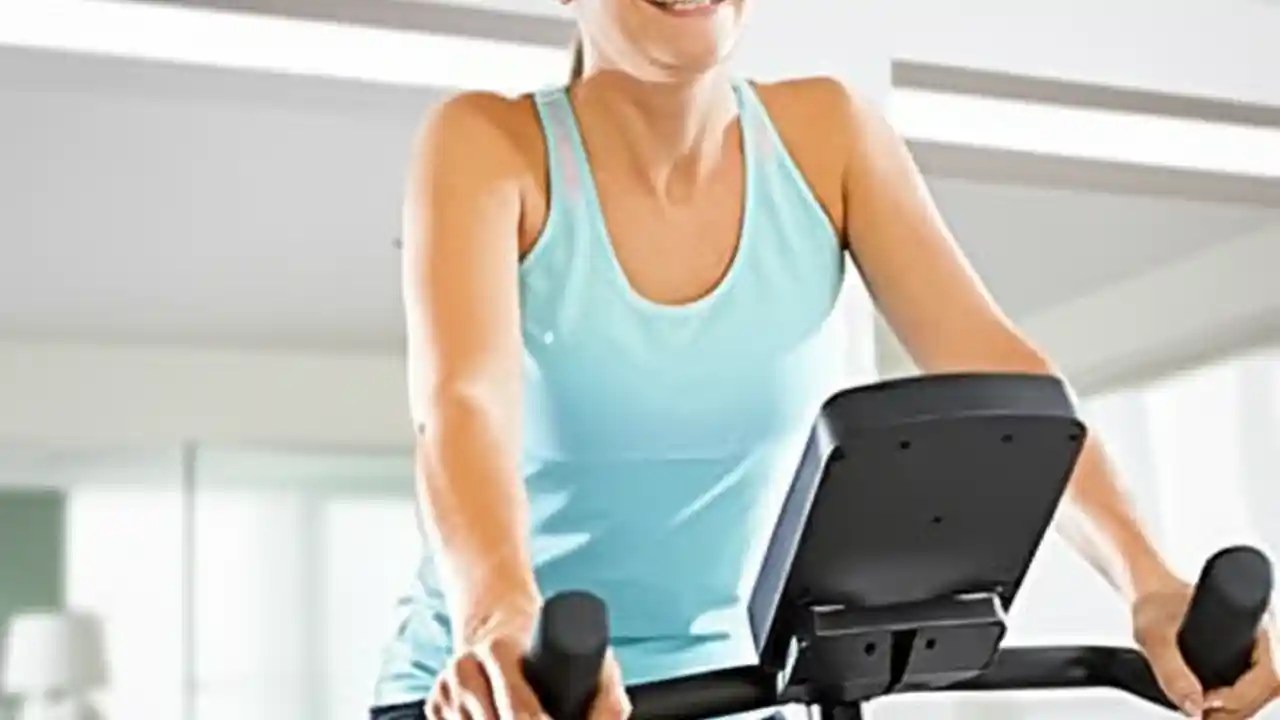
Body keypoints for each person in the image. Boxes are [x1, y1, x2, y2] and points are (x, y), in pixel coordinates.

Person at [372, 1, 1280, 718]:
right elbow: (462, 408)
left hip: (730, 688)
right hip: (516, 689)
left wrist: (1148, 579)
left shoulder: (828, 137)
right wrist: (498, 619)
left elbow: (1004, 381)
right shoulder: (487, 146)